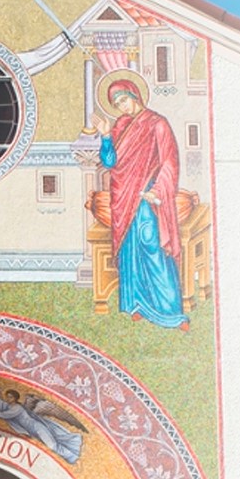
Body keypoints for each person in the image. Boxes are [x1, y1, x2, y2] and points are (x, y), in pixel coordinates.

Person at [97, 74, 187, 329]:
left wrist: (158, 189)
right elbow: (110, 162)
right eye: (118, 105)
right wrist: (105, 137)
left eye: (124, 100)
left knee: (151, 243)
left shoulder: (157, 124)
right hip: (123, 196)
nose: (123, 107)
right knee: (130, 248)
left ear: (135, 95)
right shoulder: (120, 126)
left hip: (147, 193)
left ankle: (171, 311)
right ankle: (136, 304)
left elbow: (169, 160)